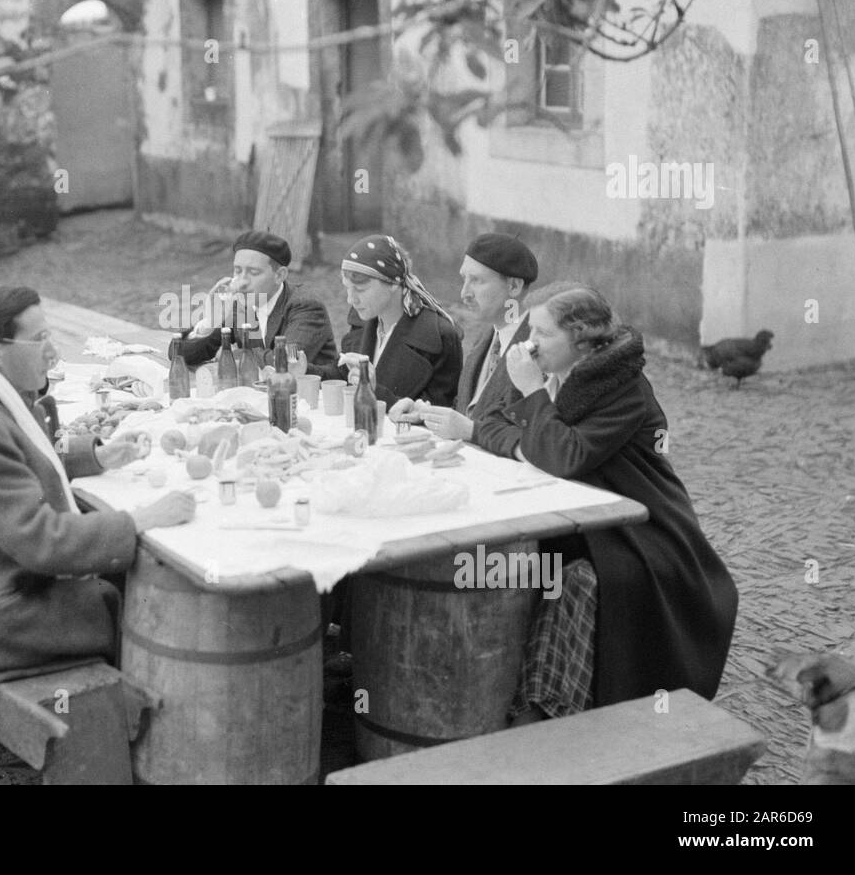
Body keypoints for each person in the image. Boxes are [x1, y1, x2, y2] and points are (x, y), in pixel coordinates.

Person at [0, 285, 195, 781]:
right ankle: (155, 746)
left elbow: (27, 459)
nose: (54, 351)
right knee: (138, 604)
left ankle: (145, 723)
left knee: (129, 580)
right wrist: (139, 520)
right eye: (41, 340)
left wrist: (96, 457)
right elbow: (40, 542)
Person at [472, 286, 738, 722]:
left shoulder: (622, 387)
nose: (529, 342)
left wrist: (534, 403)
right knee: (489, 565)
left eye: (542, 331)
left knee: (569, 579)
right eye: (530, 329)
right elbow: (490, 424)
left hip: (642, 532)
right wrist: (531, 443)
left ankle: (549, 709)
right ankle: (496, 690)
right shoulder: (547, 372)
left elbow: (565, 456)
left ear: (580, 340)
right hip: (578, 522)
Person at [387, 235, 543, 440]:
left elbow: (541, 436)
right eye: (464, 279)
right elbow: (468, 411)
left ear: (514, 286)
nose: (464, 294)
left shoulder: (541, 348)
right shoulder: (486, 338)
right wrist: (425, 413)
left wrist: (472, 431)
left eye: (477, 281)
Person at [314, 234, 462, 407]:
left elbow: (435, 414)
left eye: (360, 289)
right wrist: (303, 370)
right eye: (348, 288)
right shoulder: (363, 321)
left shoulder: (438, 337)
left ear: (393, 283)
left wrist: (375, 392)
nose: (351, 299)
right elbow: (342, 373)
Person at [179, 230, 338, 367]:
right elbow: (178, 354)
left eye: (253, 273)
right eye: (238, 271)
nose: (241, 282)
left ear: (279, 275)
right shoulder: (239, 306)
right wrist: (209, 324)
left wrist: (234, 355)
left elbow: (287, 361)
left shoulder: (306, 306)